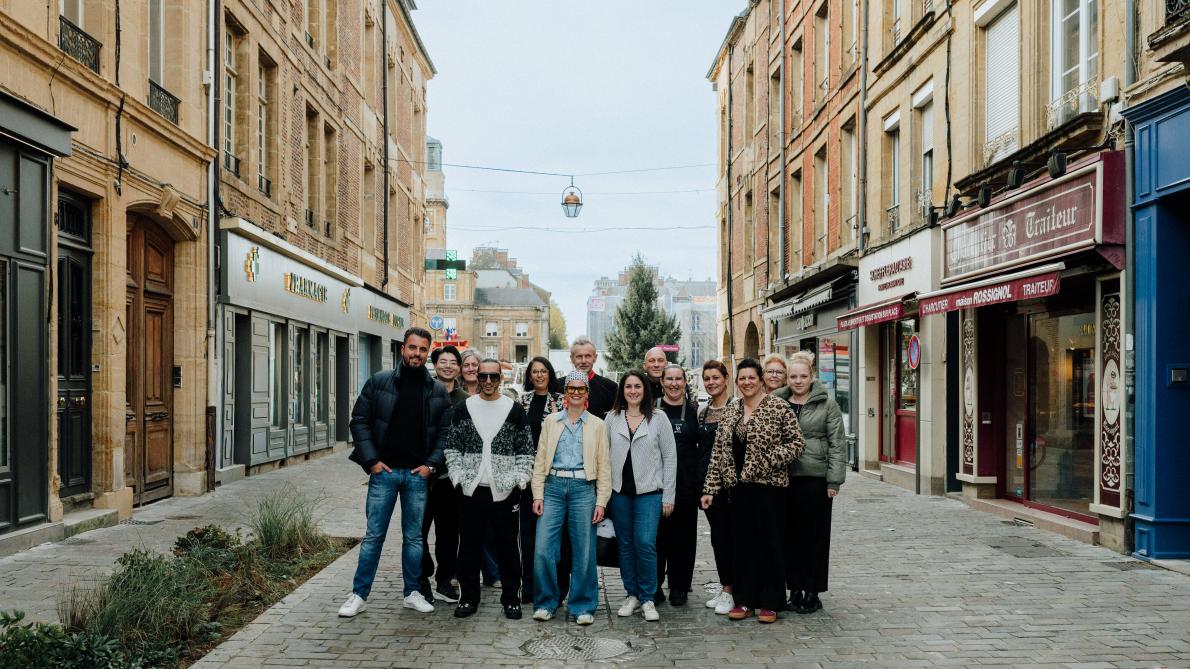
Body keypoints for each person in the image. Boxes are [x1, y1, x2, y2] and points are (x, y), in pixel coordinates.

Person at [339, 327, 450, 617]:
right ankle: (358, 595)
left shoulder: (437, 390)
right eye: (412, 348)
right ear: (403, 349)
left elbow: (445, 435)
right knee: (374, 536)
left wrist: (431, 466)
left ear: (428, 352)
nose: (417, 354)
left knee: (414, 538)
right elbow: (359, 421)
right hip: (384, 473)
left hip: (417, 476)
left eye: (422, 349)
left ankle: (411, 592)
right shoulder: (379, 382)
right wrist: (372, 461)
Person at [701, 358, 804, 624]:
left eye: (751, 378)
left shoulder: (778, 407)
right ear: (737, 382)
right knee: (742, 546)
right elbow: (718, 452)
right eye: (742, 378)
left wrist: (766, 460)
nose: (746, 382)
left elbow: (796, 443)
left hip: (769, 489)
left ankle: (770, 602)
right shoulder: (732, 410)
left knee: (769, 545)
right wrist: (710, 487)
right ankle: (744, 599)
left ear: (760, 380)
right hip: (738, 489)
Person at [444, 359, 535, 619]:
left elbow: (525, 451)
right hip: (471, 490)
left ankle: (511, 599)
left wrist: (519, 479)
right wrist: (458, 478)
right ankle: (468, 598)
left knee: (508, 548)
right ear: (475, 376)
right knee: (469, 547)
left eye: (493, 376)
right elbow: (452, 447)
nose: (487, 381)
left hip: (505, 491)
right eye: (483, 376)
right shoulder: (464, 409)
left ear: (501, 378)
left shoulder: (514, 410)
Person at [530, 370, 612, 626]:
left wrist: (601, 501)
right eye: (571, 388)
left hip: (582, 489)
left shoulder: (598, 425)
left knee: (584, 551)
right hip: (553, 487)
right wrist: (538, 493)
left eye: (581, 389)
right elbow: (540, 459)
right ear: (565, 393)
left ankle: (583, 604)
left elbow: (604, 467)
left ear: (587, 393)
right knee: (543, 548)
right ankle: (546, 601)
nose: (576, 393)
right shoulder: (551, 422)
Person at [772, 350, 846, 615]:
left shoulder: (827, 404)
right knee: (790, 537)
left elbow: (838, 443)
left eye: (803, 376)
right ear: (787, 378)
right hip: (785, 478)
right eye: (793, 376)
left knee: (814, 537)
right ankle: (796, 590)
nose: (798, 380)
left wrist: (834, 480)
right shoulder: (777, 402)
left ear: (812, 376)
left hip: (815, 480)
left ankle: (813, 591)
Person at [605, 370, 676, 622]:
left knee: (645, 544)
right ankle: (631, 594)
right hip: (620, 493)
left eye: (637, 386)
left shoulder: (658, 418)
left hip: (650, 493)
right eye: (628, 387)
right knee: (625, 545)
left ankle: (648, 597)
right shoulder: (612, 418)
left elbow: (669, 457)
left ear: (645, 389)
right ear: (622, 391)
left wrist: (669, 495)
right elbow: (604, 456)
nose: (633, 391)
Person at [517, 356, 569, 605]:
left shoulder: (561, 401)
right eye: (534, 371)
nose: (538, 375)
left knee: (553, 534)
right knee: (527, 534)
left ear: (550, 374)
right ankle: (529, 584)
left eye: (543, 371)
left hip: (553, 474)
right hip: (528, 476)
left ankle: (557, 586)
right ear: (529, 376)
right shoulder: (522, 401)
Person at [419, 345, 468, 603]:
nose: (448, 366)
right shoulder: (422, 393)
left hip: (452, 478)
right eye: (443, 361)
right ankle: (421, 576)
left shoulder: (466, 400)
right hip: (424, 474)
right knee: (418, 530)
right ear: (435, 365)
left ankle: (444, 580)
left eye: (453, 362)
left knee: (449, 534)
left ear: (458, 368)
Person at [654, 364, 700, 607]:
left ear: (685, 382)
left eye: (678, 379)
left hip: (685, 486)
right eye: (669, 379)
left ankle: (679, 587)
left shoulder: (694, 411)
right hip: (656, 486)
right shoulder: (651, 409)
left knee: (683, 540)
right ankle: (654, 586)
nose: (673, 383)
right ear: (661, 382)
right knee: (657, 538)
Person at [698, 359, 737, 614]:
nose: (711, 382)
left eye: (716, 377)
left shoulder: (737, 407)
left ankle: (733, 590)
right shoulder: (703, 411)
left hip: (732, 485)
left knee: (733, 538)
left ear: (726, 378)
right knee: (719, 538)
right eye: (707, 378)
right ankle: (726, 587)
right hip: (708, 485)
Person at [570, 337, 617, 418]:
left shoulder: (610, 388)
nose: (583, 361)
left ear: (595, 358)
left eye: (588, 356)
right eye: (579, 356)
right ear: (572, 359)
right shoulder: (558, 386)